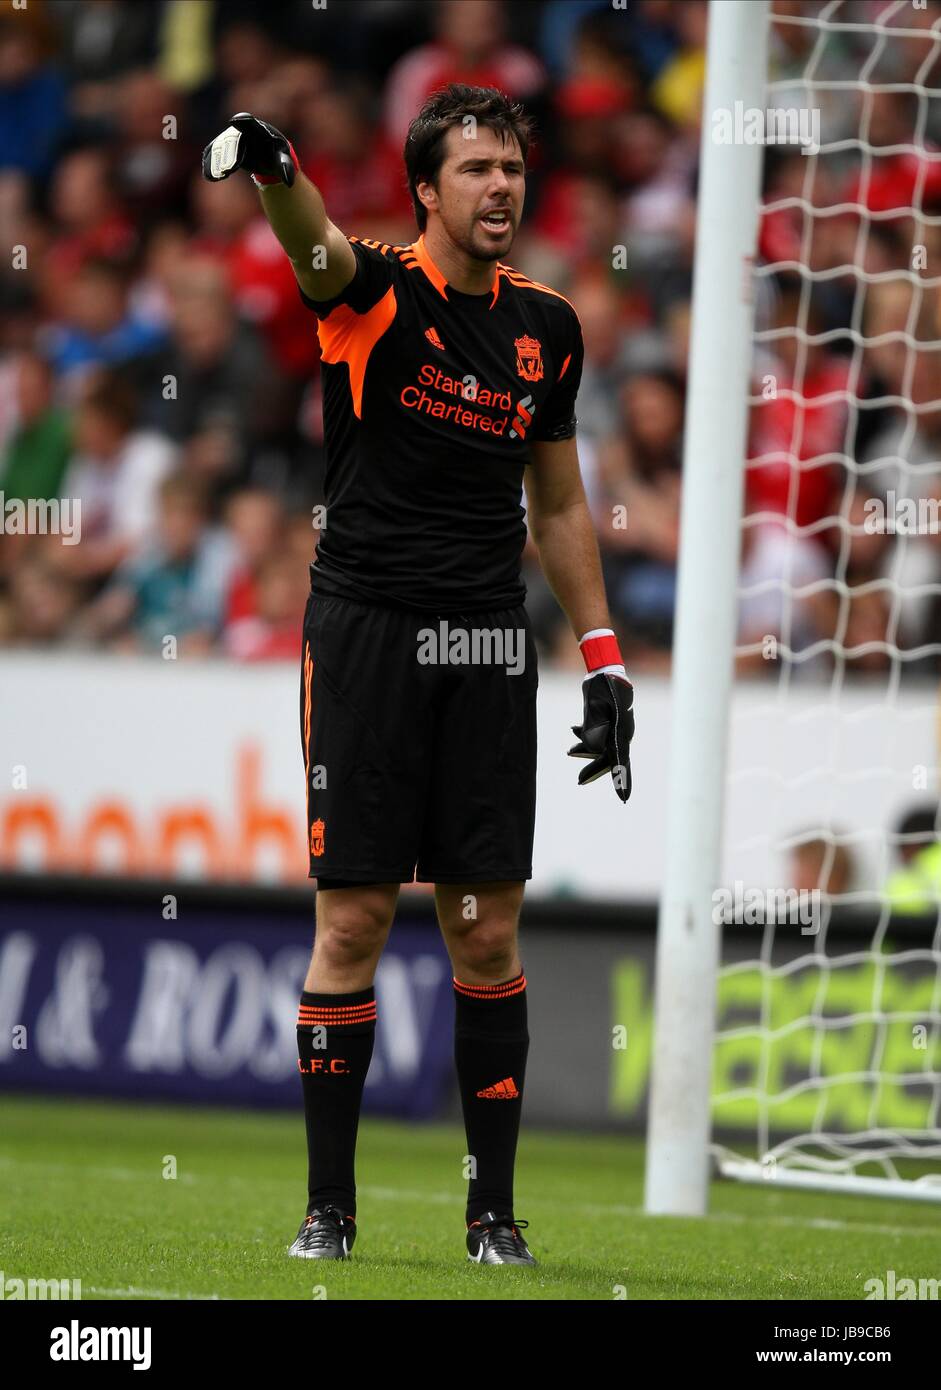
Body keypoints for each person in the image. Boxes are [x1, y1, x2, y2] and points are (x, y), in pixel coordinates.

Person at [202, 86, 635, 1267]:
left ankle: (492, 1216)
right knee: (348, 925)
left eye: (511, 167)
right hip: (365, 631)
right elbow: (312, 243)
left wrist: (601, 660)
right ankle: (328, 1209)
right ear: (427, 190)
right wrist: (275, 164)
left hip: (489, 640)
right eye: (477, 169)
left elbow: (554, 502)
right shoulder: (374, 291)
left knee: (485, 934)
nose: (501, 186)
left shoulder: (548, 325)